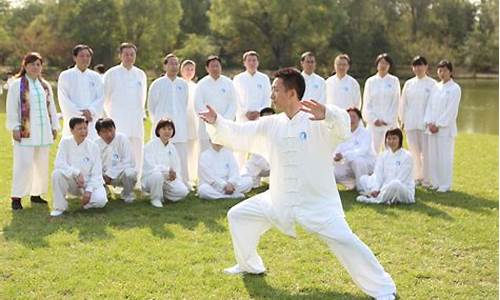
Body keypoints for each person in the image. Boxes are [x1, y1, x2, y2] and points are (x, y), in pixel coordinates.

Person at [199, 67, 396, 300]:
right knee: (238, 216)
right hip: (278, 200)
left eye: (276, 89)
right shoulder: (271, 123)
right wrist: (217, 122)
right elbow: (240, 132)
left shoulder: (317, 120)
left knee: (346, 241)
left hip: (318, 202)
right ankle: (249, 264)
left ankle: (383, 288)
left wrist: (329, 114)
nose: (271, 94)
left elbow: (343, 128)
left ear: (292, 93)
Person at [6, 52, 60, 210]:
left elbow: (51, 107)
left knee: (41, 164)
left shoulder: (45, 85)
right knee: (24, 164)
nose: (35, 67)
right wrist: (15, 127)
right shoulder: (17, 84)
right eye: (32, 64)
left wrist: (54, 127)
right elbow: (11, 108)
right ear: (25, 66)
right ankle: (17, 197)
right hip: (26, 132)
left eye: (38, 64)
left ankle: (36, 194)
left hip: (43, 132)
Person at [103, 43, 147, 176]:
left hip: (136, 120)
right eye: (126, 54)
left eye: (132, 54)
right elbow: (104, 98)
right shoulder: (111, 73)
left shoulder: (140, 74)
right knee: (118, 150)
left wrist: (141, 114)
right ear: (120, 55)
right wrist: (108, 117)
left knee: (137, 149)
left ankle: (136, 179)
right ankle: (116, 179)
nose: (129, 57)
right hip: (118, 119)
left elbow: (142, 97)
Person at [148, 53, 191, 188]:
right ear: (165, 65)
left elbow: (184, 104)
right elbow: (151, 106)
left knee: (181, 155)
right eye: (171, 63)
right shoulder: (157, 84)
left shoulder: (183, 84)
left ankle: (184, 181)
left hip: (179, 125)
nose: (174, 66)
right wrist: (160, 123)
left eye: (176, 64)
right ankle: (159, 181)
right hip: (161, 125)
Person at [51, 117, 108, 217]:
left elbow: (97, 172)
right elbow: (59, 163)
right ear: (72, 130)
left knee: (101, 201)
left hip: (88, 182)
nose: (83, 131)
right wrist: (76, 172)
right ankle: (59, 207)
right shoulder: (65, 142)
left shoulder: (93, 146)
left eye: (85, 128)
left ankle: (86, 204)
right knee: (57, 174)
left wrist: (89, 190)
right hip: (72, 181)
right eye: (80, 128)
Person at [424, 60, 461, 192]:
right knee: (433, 156)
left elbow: (451, 111)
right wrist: (429, 122)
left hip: (445, 129)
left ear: (450, 72)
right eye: (440, 70)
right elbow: (429, 106)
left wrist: (438, 124)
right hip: (431, 128)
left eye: (445, 70)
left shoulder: (455, 88)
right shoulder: (436, 87)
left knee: (445, 157)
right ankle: (435, 182)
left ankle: (445, 184)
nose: (442, 73)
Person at [399, 56, 436, 184]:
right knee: (413, 152)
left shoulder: (432, 84)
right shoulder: (409, 84)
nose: (418, 68)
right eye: (415, 65)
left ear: (426, 67)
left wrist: (431, 121)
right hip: (410, 123)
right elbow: (403, 103)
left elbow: (434, 105)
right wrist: (402, 120)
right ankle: (416, 177)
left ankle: (427, 179)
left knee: (426, 153)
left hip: (425, 124)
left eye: (420, 65)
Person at [233, 50, 272, 167]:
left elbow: (267, 97)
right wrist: (245, 112)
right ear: (244, 63)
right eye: (249, 60)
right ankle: (238, 174)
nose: (252, 63)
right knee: (241, 148)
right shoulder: (238, 78)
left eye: (254, 60)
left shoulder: (264, 78)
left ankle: (257, 176)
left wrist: (259, 112)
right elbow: (235, 98)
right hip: (243, 118)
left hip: (259, 118)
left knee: (259, 147)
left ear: (258, 62)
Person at [357, 128, 415, 204]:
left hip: (402, 189)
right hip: (383, 188)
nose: (391, 141)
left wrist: (381, 190)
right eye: (389, 138)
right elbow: (378, 175)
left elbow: (401, 179)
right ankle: (386, 198)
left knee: (395, 184)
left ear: (400, 140)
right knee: (363, 179)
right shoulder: (383, 155)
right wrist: (376, 188)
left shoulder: (407, 156)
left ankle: (375, 200)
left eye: (394, 138)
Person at [58, 44, 104, 139]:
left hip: (91, 121)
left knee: (92, 147)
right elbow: (64, 99)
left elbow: (101, 97)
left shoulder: (96, 77)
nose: (85, 59)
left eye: (88, 56)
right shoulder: (65, 76)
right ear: (75, 58)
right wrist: (80, 113)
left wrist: (91, 111)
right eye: (82, 56)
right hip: (73, 119)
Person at [194, 55, 238, 152]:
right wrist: (211, 119)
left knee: (226, 156)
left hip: (225, 125)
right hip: (207, 126)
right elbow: (198, 104)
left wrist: (222, 120)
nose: (215, 68)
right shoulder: (201, 84)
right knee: (206, 157)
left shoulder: (228, 83)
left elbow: (233, 103)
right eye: (212, 66)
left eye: (217, 66)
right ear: (207, 68)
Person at [142, 119, 189, 208]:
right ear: (158, 130)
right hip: (151, 178)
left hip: (167, 179)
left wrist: (174, 175)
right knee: (157, 176)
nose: (167, 131)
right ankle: (156, 198)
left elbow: (176, 166)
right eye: (164, 129)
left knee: (183, 191)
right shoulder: (150, 145)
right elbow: (150, 167)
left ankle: (161, 193)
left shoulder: (172, 148)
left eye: (170, 129)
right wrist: (167, 171)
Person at [362, 53, 401, 153]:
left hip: (389, 123)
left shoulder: (394, 81)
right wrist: (374, 119)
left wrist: (387, 119)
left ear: (389, 66)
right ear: (377, 65)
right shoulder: (370, 81)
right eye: (381, 63)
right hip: (373, 124)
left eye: (386, 63)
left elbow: (396, 102)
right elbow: (367, 103)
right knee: (372, 151)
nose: (383, 66)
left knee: (390, 151)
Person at [95, 118, 137, 203]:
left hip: (119, 175)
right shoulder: (95, 144)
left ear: (115, 129)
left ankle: (127, 194)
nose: (109, 134)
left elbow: (128, 161)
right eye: (105, 132)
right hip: (102, 176)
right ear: (99, 134)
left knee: (130, 173)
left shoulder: (122, 139)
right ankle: (105, 192)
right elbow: (94, 165)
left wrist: (110, 174)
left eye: (111, 130)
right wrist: (103, 176)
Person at [334, 108, 376, 190]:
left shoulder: (365, 133)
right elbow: (337, 150)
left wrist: (344, 155)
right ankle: (353, 184)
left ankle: (362, 187)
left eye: (354, 117)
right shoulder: (342, 134)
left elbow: (363, 150)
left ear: (359, 119)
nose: (351, 120)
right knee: (335, 172)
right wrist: (336, 157)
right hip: (347, 162)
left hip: (366, 163)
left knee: (357, 161)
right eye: (349, 117)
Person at [241, 107, 275, 188]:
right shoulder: (255, 132)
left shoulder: (280, 131)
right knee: (244, 183)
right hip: (256, 165)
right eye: (265, 118)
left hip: (275, 166)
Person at [180, 59, 199, 184]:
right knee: (183, 149)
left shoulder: (196, 86)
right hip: (181, 120)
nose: (189, 72)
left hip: (193, 120)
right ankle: (182, 176)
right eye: (187, 69)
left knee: (193, 148)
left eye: (192, 69)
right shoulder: (179, 84)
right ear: (182, 70)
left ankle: (192, 176)